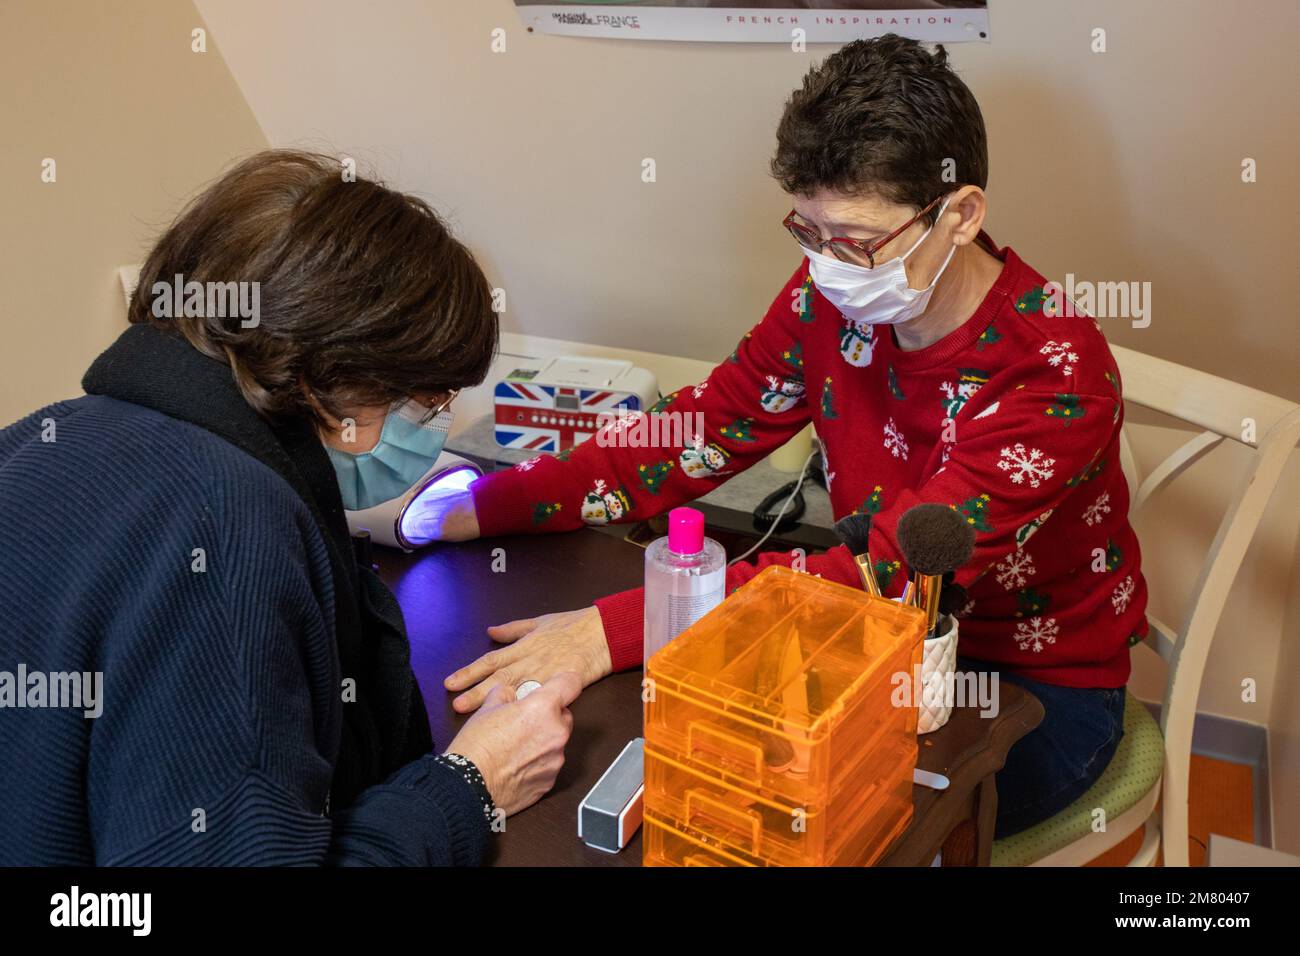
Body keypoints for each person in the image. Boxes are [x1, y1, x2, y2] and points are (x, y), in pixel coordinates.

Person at [431, 35, 1148, 838]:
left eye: (855, 243)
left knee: (801, 824)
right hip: (868, 646)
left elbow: (890, 576)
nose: (828, 266)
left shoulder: (1055, 371)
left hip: (1024, 685)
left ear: (960, 214)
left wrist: (620, 627)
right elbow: (695, 430)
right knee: (677, 773)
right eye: (806, 232)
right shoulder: (828, 299)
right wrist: (485, 504)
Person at [0, 150, 578, 865]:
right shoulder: (226, 527)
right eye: (429, 401)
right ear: (328, 376)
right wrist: (471, 785)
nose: (430, 423)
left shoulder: (38, 437)